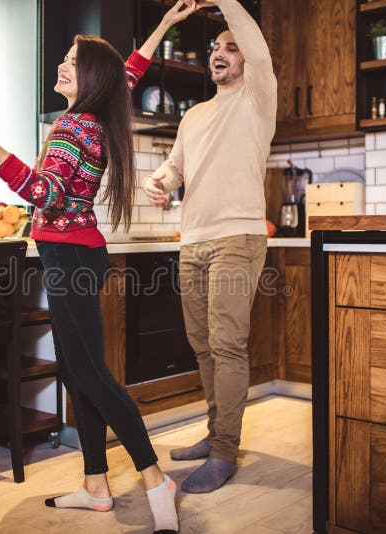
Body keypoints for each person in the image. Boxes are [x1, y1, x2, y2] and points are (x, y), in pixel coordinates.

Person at [0, 2, 199, 532]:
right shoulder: (99, 113)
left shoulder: (73, 127)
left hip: (68, 255)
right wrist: (166, 25)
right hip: (78, 254)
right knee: (78, 372)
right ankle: (96, 486)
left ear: (89, 77)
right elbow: (130, 70)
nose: (60, 65)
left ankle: (153, 478)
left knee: (91, 375)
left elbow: (44, 194)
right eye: (62, 57)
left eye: (71, 60)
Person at [142, 0, 278, 494]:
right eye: (215, 46)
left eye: (230, 46)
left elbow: (259, 50)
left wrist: (226, 5)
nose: (219, 52)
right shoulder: (194, 116)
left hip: (236, 239)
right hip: (193, 241)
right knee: (202, 347)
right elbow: (175, 168)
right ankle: (215, 433)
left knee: (226, 345)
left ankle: (224, 452)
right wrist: (160, 181)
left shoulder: (259, 98)